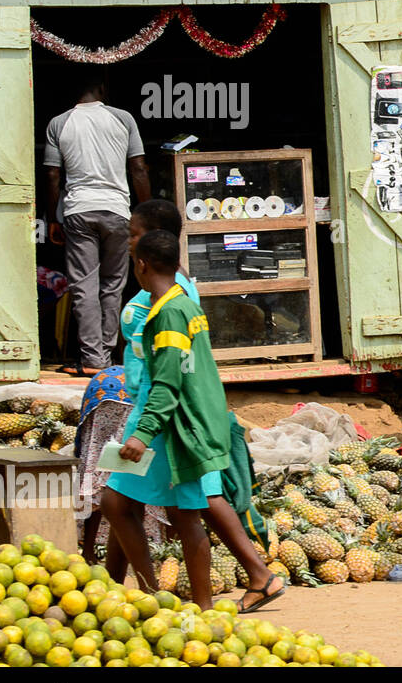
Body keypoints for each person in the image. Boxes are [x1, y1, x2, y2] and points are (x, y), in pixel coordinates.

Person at [101, 230, 284, 611]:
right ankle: (189, 605)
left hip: (173, 427)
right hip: (186, 422)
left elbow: (167, 384)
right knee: (171, 511)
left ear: (142, 265)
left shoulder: (167, 313)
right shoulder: (183, 304)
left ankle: (159, 597)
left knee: (128, 504)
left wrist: (142, 433)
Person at [44, 75, 151, 376]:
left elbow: (53, 175)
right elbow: (139, 168)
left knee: (84, 286)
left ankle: (93, 359)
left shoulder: (59, 123)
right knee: (113, 285)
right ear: (103, 89)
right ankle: (104, 355)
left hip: (79, 211)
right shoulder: (123, 119)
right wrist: (145, 214)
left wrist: (53, 218)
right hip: (117, 211)